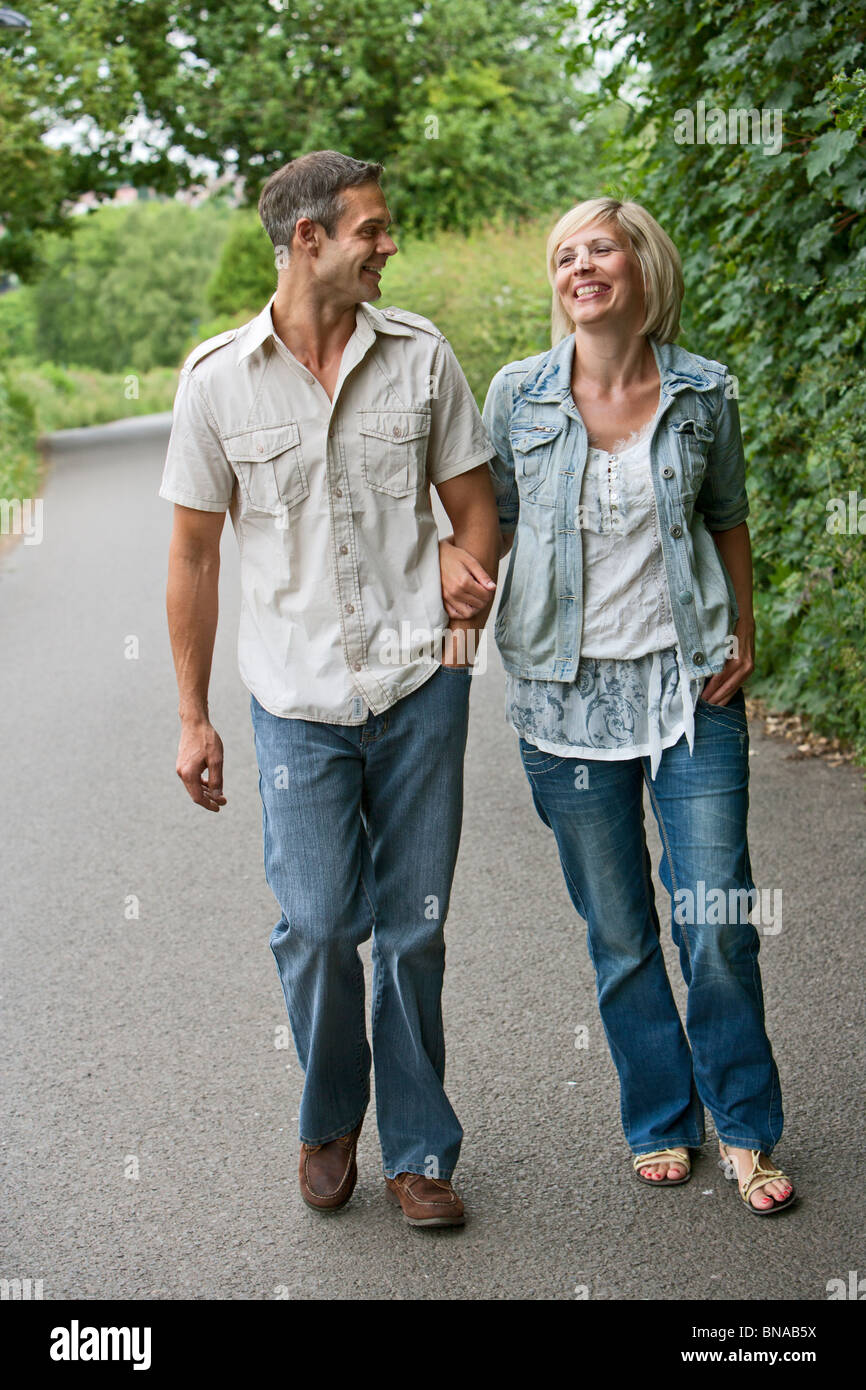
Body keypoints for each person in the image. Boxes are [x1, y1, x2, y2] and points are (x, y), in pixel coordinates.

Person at [160, 150, 500, 1228]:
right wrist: (191, 713)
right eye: (372, 229)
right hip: (295, 698)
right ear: (307, 239)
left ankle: (418, 1149)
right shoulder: (217, 379)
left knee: (411, 926)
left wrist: (467, 566)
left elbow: (474, 506)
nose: (387, 245)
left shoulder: (422, 357)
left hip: (418, 684)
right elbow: (194, 557)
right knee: (314, 923)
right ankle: (327, 1114)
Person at [440, 197, 795, 1216]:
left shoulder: (701, 392)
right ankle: (657, 1117)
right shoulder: (516, 395)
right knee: (619, 930)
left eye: (598, 247)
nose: (578, 265)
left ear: (641, 267)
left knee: (715, 917)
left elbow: (725, 517)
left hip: (689, 692)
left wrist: (744, 627)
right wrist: (447, 574)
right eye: (562, 254)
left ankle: (743, 1125)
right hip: (561, 699)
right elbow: (486, 524)